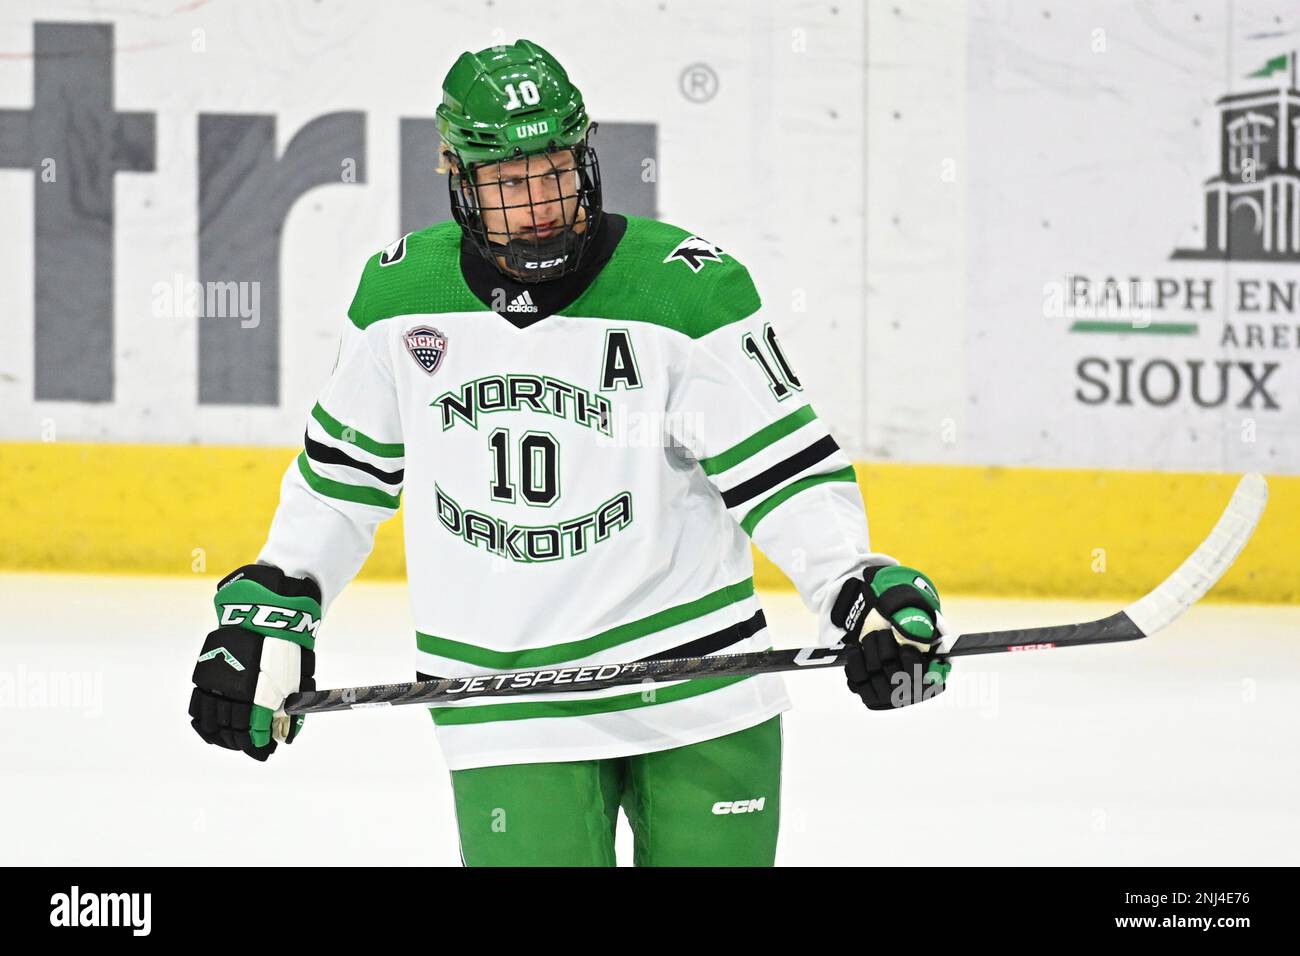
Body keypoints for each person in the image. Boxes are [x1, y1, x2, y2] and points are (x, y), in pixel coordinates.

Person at [188, 38, 952, 867]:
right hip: (508, 700)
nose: (539, 203)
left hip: (699, 683)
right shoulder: (398, 303)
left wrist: (856, 586)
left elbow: (786, 475)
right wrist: (275, 607)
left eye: (554, 169)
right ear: (458, 177)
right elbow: (341, 484)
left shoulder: (686, 291)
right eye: (508, 182)